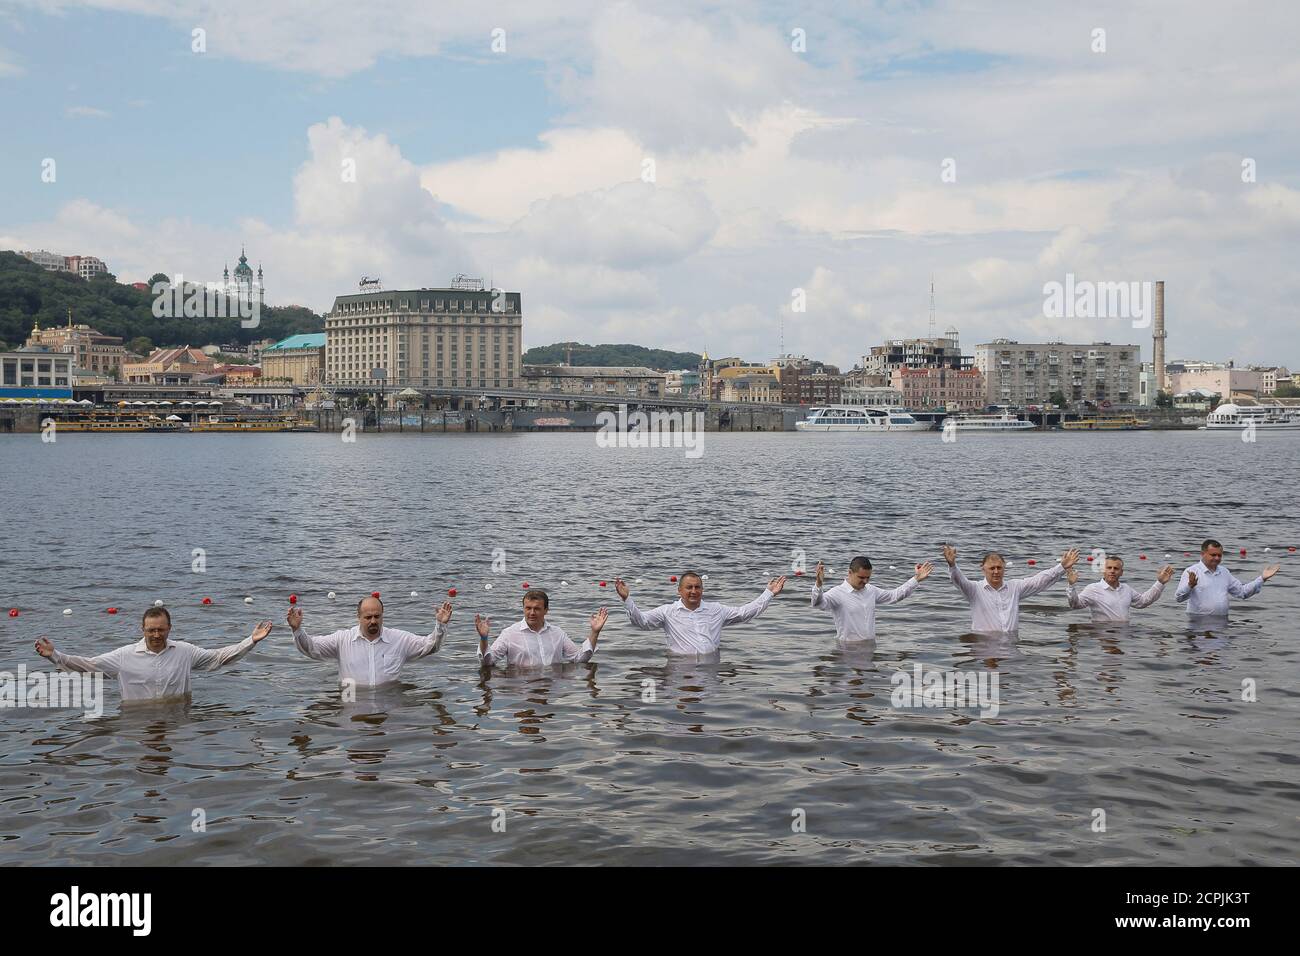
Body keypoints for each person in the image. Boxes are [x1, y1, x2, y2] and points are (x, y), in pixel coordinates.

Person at [34, 606, 272, 702]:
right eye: (151, 630)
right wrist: (55, 655)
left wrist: (250, 641)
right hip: (137, 718)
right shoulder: (124, 656)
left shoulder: (185, 652)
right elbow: (87, 666)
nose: (156, 634)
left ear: (170, 628)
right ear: (142, 630)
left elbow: (219, 657)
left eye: (161, 629)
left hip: (177, 717)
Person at [288, 595, 452, 686]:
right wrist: (297, 630)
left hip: (388, 697)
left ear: (382, 615)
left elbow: (430, 646)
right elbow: (311, 647)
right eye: (368, 617)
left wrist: (440, 626)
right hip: (350, 696)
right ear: (358, 617)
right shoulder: (342, 640)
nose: (373, 621)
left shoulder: (399, 639)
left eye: (377, 616)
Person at [613, 572, 785, 656]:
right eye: (689, 587)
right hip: (679, 667)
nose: (694, 591)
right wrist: (627, 600)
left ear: (702, 589)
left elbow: (744, 613)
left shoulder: (716, 610)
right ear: (679, 590)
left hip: (711, 667)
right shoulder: (667, 611)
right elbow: (641, 622)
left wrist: (768, 594)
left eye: (697, 587)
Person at [943, 545, 1079, 633]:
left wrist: (1061, 567)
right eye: (992, 568)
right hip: (983, 644)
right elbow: (958, 580)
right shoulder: (974, 589)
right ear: (983, 568)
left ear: (1004, 568)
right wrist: (952, 565)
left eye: (999, 567)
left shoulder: (1014, 587)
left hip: (1010, 644)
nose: (996, 571)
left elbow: (1038, 581)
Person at [810, 556, 933, 642]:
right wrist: (819, 584)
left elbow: (894, 596)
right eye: (861, 578)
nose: (865, 581)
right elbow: (818, 604)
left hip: (869, 646)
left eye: (868, 578)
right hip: (847, 648)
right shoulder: (837, 593)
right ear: (849, 572)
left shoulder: (871, 590)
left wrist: (915, 579)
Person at [475, 589, 608, 668]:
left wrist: (595, 632)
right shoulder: (509, 634)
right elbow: (488, 662)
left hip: (549, 688)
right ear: (523, 609)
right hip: (522, 687)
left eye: (537, 609)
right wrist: (484, 639)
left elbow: (579, 659)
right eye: (528, 608)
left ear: (546, 610)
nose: (532, 613)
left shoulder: (558, 633)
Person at [1174, 539, 1279, 617]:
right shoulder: (1192, 571)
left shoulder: (1224, 572)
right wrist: (1189, 586)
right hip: (1198, 623)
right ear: (1203, 554)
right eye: (1213, 555)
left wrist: (1262, 578)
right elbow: (1178, 598)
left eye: (1219, 555)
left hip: (1222, 623)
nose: (1217, 558)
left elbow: (1242, 592)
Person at [1066, 556, 1174, 622]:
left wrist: (1160, 583)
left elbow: (1143, 602)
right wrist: (1071, 586)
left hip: (1123, 633)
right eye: (1109, 568)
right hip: (1101, 632)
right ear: (1103, 570)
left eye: (1116, 568)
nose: (1112, 571)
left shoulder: (1126, 589)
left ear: (1121, 572)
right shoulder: (1093, 589)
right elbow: (1075, 605)